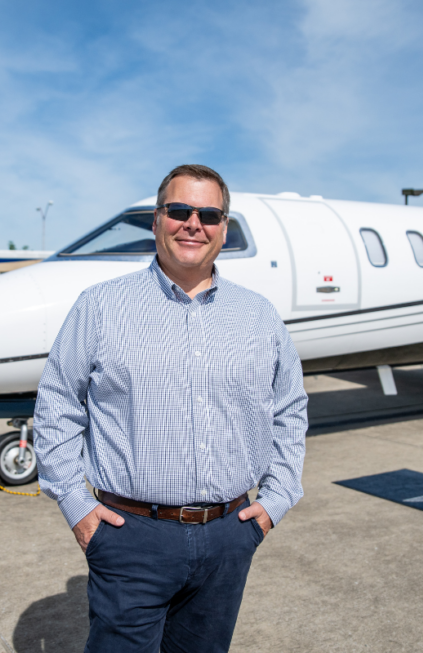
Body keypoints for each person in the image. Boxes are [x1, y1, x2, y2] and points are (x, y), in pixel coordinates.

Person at [34, 164, 308, 653]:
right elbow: (57, 401)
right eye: (179, 211)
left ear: (224, 227)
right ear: (157, 221)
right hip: (129, 537)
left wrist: (278, 497)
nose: (193, 224)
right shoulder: (100, 307)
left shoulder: (259, 315)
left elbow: (289, 407)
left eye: (208, 214)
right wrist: (78, 508)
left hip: (230, 535)